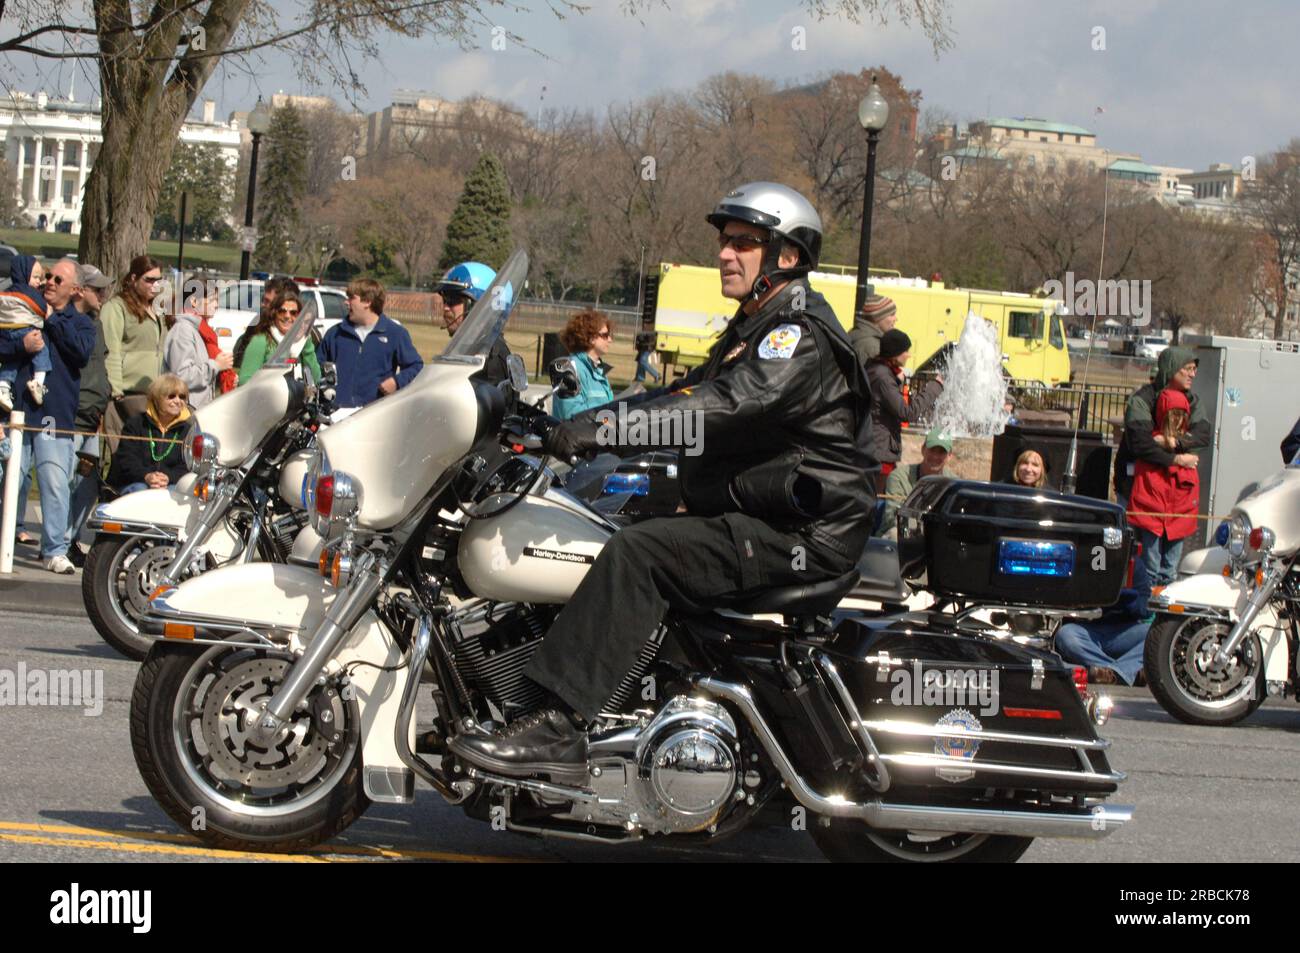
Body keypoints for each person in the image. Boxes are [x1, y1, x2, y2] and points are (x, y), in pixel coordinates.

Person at [449, 181, 874, 780]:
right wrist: (577, 422)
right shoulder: (754, 326)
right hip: (768, 514)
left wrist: (601, 434)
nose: (725, 253)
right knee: (612, 517)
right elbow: (677, 395)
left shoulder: (795, 336)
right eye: (725, 241)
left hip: (802, 531)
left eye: (744, 243)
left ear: (786, 256)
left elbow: (719, 405)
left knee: (640, 553)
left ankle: (561, 726)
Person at [1, 268, 96, 573]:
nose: (49, 283)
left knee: (55, 482)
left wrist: (52, 319)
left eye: (58, 280)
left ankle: (54, 549)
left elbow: (80, 354)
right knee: (9, 480)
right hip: (17, 410)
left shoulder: (81, 323)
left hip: (55, 414)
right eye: (48, 277)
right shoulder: (24, 309)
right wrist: (22, 345)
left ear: (76, 290)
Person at [1113, 346, 1208, 510]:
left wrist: (1170, 442)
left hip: (1176, 492)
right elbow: (1140, 443)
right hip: (1135, 487)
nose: (1193, 374)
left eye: (1195, 369)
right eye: (1188, 369)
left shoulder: (1193, 402)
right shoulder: (1142, 400)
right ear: (1171, 369)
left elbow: (1202, 436)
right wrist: (1176, 459)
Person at [1127, 387, 1200, 596]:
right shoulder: (1151, 443)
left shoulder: (1188, 444)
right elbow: (1145, 485)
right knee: (1150, 568)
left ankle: (1163, 611)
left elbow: (1191, 487)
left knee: (1169, 571)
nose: (1177, 421)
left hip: (1178, 516)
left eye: (1181, 416)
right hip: (1152, 515)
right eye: (1173, 416)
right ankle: (1147, 611)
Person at [66, 263, 113, 565]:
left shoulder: (95, 323)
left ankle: (70, 539)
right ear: (80, 289)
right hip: (72, 413)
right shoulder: (66, 322)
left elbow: (101, 365)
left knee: (88, 483)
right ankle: (57, 542)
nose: (102, 294)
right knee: (67, 482)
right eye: (97, 289)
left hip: (95, 413)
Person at [101, 255, 166, 453]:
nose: (154, 285)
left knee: (149, 455)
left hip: (152, 393)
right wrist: (116, 390)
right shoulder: (116, 307)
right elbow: (110, 350)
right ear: (133, 278)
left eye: (158, 280)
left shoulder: (157, 310)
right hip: (127, 395)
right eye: (149, 280)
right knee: (124, 454)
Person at [866, 328, 942, 485]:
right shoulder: (884, 377)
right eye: (905, 351)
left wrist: (896, 380)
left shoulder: (879, 371)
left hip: (876, 449)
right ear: (895, 354)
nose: (909, 355)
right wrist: (935, 386)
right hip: (879, 454)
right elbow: (907, 413)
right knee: (879, 500)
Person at [107, 373, 192, 495]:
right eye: (171, 396)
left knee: (174, 493)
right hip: (135, 482)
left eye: (182, 397)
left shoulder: (188, 430)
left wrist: (168, 477)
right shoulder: (136, 424)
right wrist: (147, 476)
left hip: (171, 484)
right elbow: (127, 460)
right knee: (140, 490)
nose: (177, 401)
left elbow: (187, 466)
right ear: (157, 399)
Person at [1054, 586, 1150, 686]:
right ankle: (1125, 672)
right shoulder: (1086, 571)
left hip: (1124, 632)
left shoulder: (1134, 571)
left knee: (1153, 633)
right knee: (1066, 634)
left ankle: (1114, 673)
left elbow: (1146, 609)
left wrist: (1127, 601)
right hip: (1088, 630)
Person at [435, 262, 511, 385]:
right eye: (444, 300)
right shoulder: (465, 348)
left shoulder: (492, 357)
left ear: (479, 306)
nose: (445, 308)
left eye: (452, 300)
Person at [876, 427, 955, 539]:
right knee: (895, 535)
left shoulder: (954, 483)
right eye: (932, 450)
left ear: (949, 456)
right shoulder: (898, 477)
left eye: (941, 452)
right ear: (923, 449)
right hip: (899, 534)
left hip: (937, 535)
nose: (935, 456)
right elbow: (893, 518)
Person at [164, 281, 234, 408]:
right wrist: (216, 365)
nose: (217, 305)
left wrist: (221, 376)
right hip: (184, 411)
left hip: (196, 409)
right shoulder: (183, 330)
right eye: (212, 299)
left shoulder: (201, 332)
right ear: (194, 302)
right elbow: (181, 376)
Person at [236, 288, 320, 384]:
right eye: (282, 311)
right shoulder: (260, 341)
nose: (287, 316)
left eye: (293, 313)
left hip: (298, 398)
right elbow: (244, 381)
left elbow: (315, 379)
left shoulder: (301, 344)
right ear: (273, 313)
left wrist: (306, 343)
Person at [0, 255, 51, 410]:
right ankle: (38, 382)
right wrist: (47, 312)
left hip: (7, 331)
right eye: (35, 277)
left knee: (12, 361)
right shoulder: (29, 292)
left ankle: (3, 385)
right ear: (24, 274)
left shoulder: (7, 292)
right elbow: (40, 307)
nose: (38, 282)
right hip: (25, 328)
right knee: (42, 350)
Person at [553, 309, 615, 420]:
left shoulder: (600, 371)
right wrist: (607, 412)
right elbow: (570, 414)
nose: (610, 340)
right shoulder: (568, 368)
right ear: (591, 338)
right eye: (605, 335)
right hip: (574, 436)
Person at [233, 276, 300, 372]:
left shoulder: (305, 333)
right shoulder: (257, 325)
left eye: (268, 301)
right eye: (263, 300)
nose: (262, 304)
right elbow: (239, 365)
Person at [849, 292, 897, 365]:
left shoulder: (858, 334)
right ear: (877, 318)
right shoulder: (872, 347)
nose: (896, 319)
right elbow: (874, 375)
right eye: (892, 314)